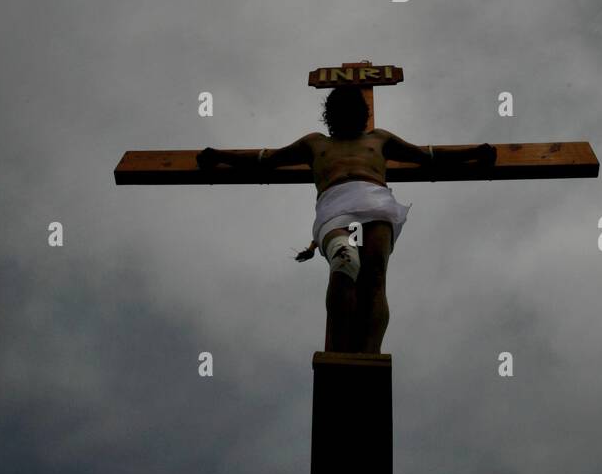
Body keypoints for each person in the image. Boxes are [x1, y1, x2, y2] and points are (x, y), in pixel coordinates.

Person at [196, 88, 495, 353]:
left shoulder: (380, 139)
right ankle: (338, 351)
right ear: (331, 114)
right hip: (335, 206)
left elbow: (427, 156)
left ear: (361, 114)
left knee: (374, 276)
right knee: (345, 260)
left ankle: (369, 354)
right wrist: (220, 156)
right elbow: (267, 159)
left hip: (375, 202)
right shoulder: (315, 144)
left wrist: (475, 152)